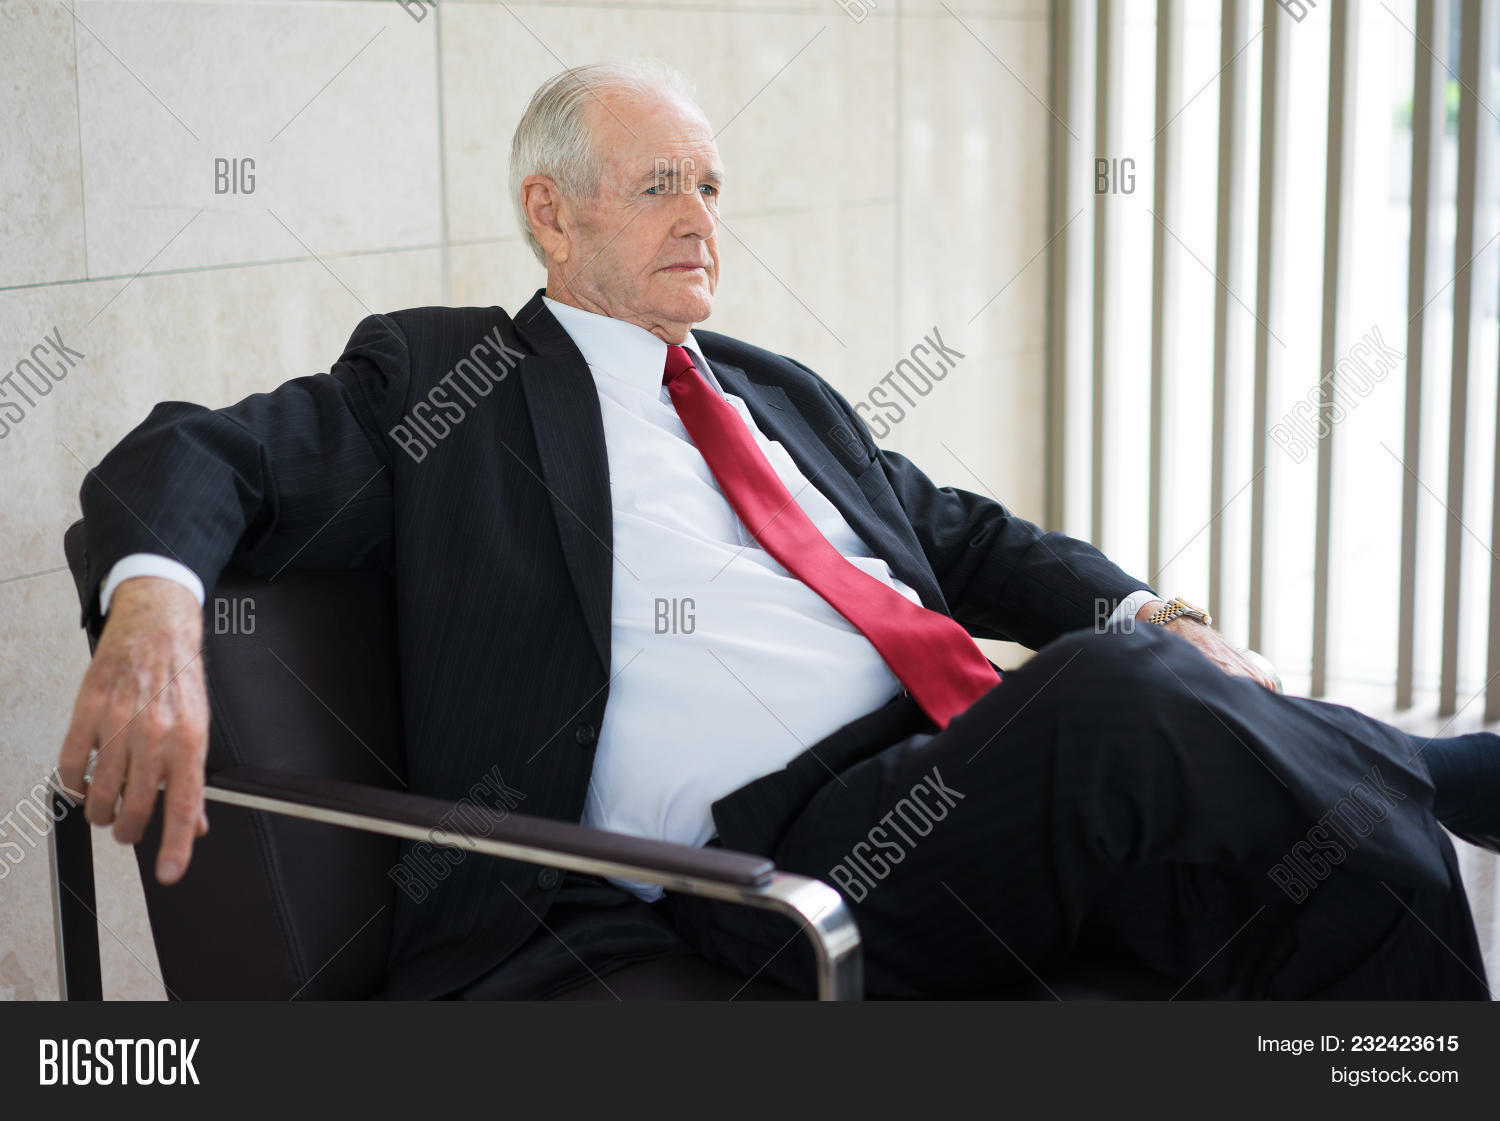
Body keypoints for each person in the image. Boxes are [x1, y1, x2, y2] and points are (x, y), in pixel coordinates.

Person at [59, 60, 1496, 1000]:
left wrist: (1147, 607)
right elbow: (202, 449)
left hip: (959, 771)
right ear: (549, 218)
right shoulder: (453, 381)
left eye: (710, 184)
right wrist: (155, 604)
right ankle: (1427, 764)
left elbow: (961, 533)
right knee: (1133, 712)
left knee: (1304, 875)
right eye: (656, 185)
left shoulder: (771, 387)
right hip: (787, 857)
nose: (701, 215)